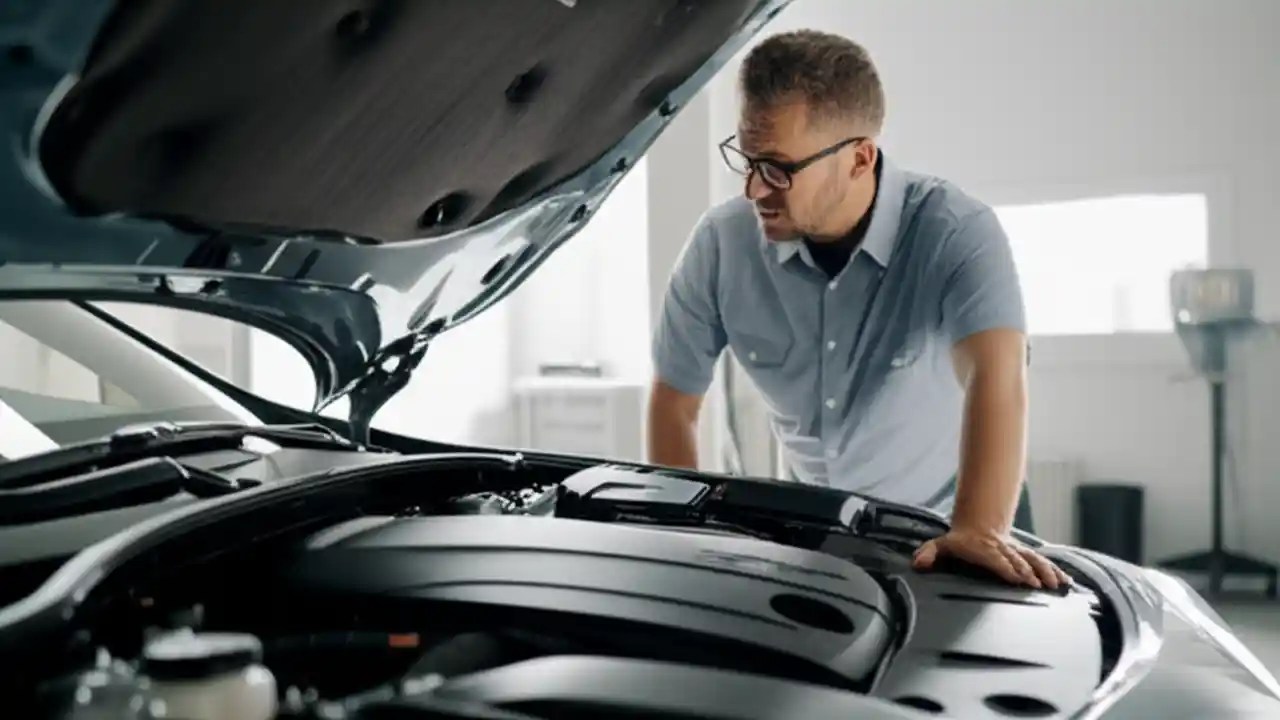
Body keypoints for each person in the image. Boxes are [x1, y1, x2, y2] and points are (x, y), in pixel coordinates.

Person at [647, 30, 1067, 590]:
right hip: (818, 528)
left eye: (776, 168)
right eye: (745, 161)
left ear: (859, 158)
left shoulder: (956, 232)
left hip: (959, 518)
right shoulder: (721, 245)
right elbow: (675, 404)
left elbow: (997, 376)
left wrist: (979, 527)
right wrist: (690, 530)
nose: (753, 189)